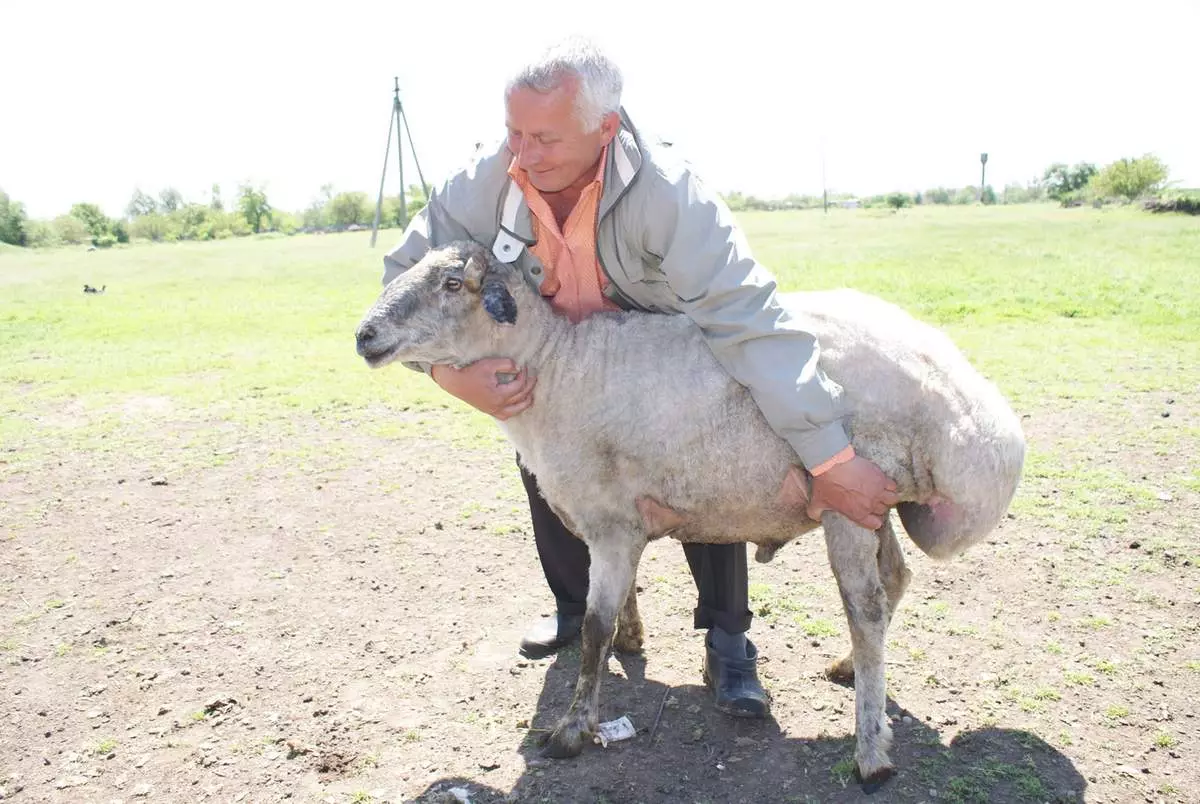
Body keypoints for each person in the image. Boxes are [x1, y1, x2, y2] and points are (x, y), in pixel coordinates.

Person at [381, 36, 899, 719]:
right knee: (546, 464)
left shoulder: (671, 196)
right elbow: (401, 290)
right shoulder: (480, 186)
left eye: (543, 137)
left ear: (606, 129)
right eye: (513, 132)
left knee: (705, 467)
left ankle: (727, 639)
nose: (522, 156)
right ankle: (581, 612)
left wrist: (831, 458)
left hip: (660, 370)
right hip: (555, 360)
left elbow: (750, 319)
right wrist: (452, 378)